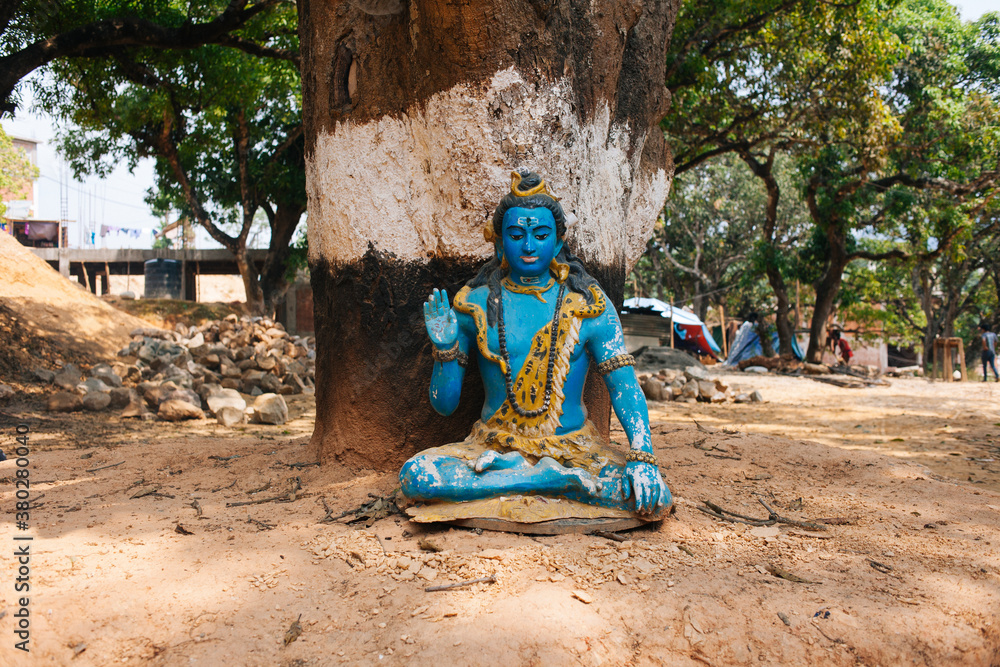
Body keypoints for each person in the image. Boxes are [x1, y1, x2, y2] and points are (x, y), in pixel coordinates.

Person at [399, 170, 670, 523]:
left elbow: (624, 385)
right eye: (516, 234)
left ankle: (527, 479)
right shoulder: (473, 304)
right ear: (500, 243)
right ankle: (552, 482)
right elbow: (445, 404)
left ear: (558, 243)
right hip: (492, 449)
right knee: (418, 476)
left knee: (652, 494)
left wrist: (642, 454)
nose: (528, 246)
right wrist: (446, 349)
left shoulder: (586, 303)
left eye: (541, 235)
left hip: (574, 452)